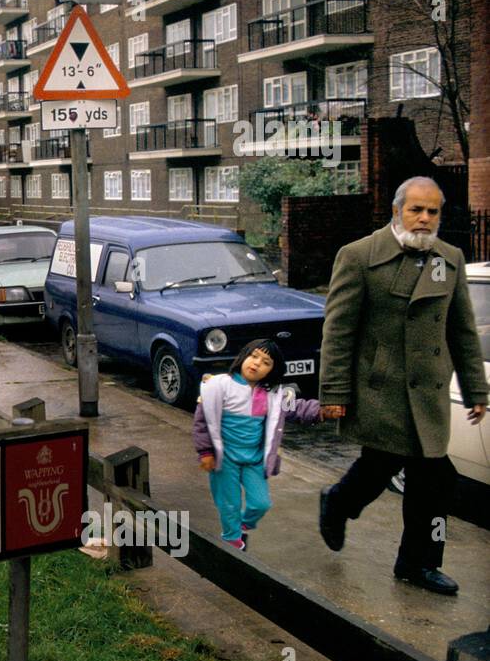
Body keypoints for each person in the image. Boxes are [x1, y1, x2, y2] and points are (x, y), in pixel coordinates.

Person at [318, 176, 487, 595]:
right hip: (382, 390)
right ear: (397, 211)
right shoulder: (359, 256)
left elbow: (463, 332)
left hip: (428, 393)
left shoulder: (448, 258)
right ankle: (345, 506)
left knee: (430, 480)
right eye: (416, 209)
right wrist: (334, 394)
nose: (425, 218)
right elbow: (338, 332)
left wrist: (476, 392)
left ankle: (416, 562)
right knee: (392, 467)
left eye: (433, 211)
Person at [193, 339, 323, 551]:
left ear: (272, 371)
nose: (256, 363)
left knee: (261, 503)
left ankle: (244, 524)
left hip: (253, 460)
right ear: (243, 356)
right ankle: (232, 540)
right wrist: (205, 452)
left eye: (265, 362)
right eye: (253, 356)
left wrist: (321, 410)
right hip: (224, 460)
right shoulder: (219, 385)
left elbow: (297, 408)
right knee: (229, 504)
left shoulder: (273, 394)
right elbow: (201, 422)